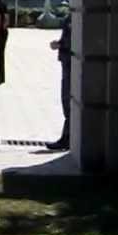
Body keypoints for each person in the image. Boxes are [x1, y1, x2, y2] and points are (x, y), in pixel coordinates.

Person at [47, 13, 73, 151]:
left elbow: (74, 39)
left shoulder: (75, 16)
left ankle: (68, 138)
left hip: (71, 63)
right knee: (66, 101)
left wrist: (60, 44)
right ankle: (67, 137)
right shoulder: (71, 15)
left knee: (69, 101)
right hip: (67, 61)